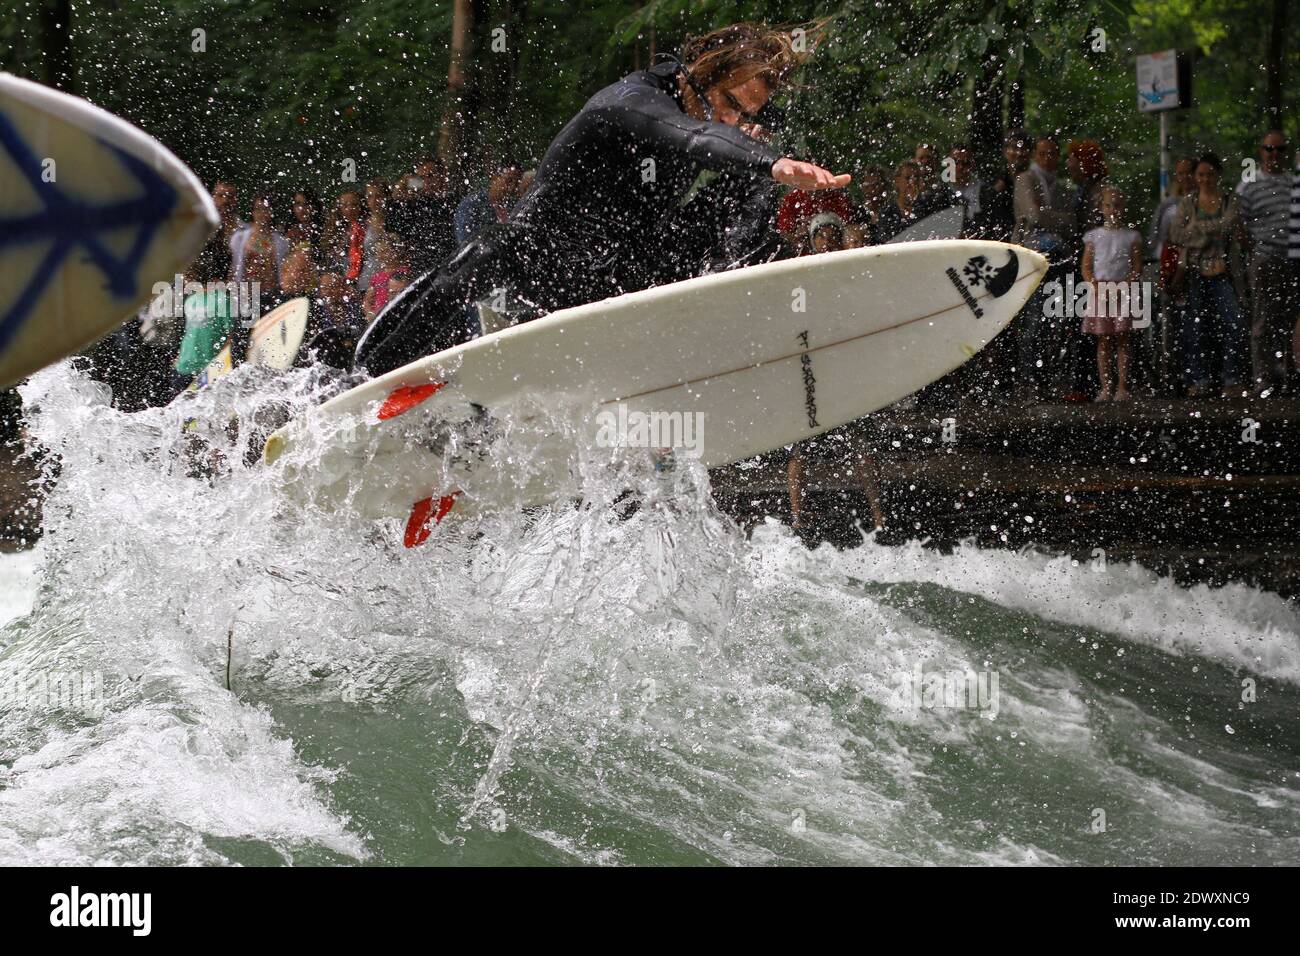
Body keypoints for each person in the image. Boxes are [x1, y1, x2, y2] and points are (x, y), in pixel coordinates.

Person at [355, 21, 849, 377]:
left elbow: (723, 147)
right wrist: (768, 161)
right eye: (731, 105)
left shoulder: (716, 118)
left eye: (744, 113)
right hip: (546, 265)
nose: (731, 121)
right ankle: (372, 373)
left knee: (755, 168)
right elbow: (689, 137)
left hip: (627, 269)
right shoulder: (633, 101)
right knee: (491, 248)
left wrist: (764, 163)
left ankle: (721, 303)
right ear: (704, 73)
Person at [1170, 153, 1250, 398]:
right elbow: (1175, 233)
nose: (1205, 179)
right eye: (1201, 175)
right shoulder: (1188, 202)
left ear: (1218, 175)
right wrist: (1205, 235)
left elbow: (1229, 224)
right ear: (1195, 177)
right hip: (1194, 273)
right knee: (1195, 328)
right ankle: (1199, 379)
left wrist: (1197, 231)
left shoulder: (1229, 200)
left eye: (1210, 174)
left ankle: (1231, 379)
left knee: (1234, 324)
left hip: (1224, 273)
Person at [1011, 135, 1076, 400]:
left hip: (1059, 258)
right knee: (1034, 319)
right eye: (1043, 153)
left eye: (1052, 153)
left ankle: (1048, 378)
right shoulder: (1026, 179)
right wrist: (1059, 218)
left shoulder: (1061, 186)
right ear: (1035, 154)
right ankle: (1029, 379)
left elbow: (1072, 222)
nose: (1048, 158)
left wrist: (1051, 217)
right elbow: (1035, 216)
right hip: (1033, 256)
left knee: (1056, 319)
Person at [1238, 129, 1296, 394]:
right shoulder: (1249, 183)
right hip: (1263, 257)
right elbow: (1239, 222)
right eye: (1269, 149)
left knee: (1288, 318)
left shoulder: (1292, 182)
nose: (1274, 155)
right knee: (1263, 318)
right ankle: (1262, 378)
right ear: (1261, 151)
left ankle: (1285, 374)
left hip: (1292, 258)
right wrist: (1255, 249)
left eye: (1280, 149)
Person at [1081, 186, 1143, 402]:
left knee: (1123, 338)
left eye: (1116, 205)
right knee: (1104, 340)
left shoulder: (1131, 236)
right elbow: (1086, 267)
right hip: (1100, 291)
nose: (1112, 209)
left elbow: (1136, 267)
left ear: (1123, 207)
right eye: (1108, 205)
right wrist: (1095, 286)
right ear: (1101, 208)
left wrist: (1124, 286)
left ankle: (1122, 387)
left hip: (1123, 291)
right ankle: (1106, 387)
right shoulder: (1093, 237)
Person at [386, 159, 459, 277]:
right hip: (423, 272)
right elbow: (392, 226)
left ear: (443, 175)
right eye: (421, 178)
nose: (427, 181)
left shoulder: (455, 200)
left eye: (430, 176)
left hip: (453, 266)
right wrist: (397, 196)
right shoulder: (415, 205)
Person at [454, 165, 522, 245]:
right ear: (494, 178)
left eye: (517, 183)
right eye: (509, 181)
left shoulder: (513, 205)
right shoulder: (472, 204)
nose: (512, 187)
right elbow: (465, 242)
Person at [873, 160, 923, 242]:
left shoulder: (927, 207)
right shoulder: (887, 212)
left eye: (916, 177)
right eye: (908, 178)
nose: (912, 182)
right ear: (897, 181)